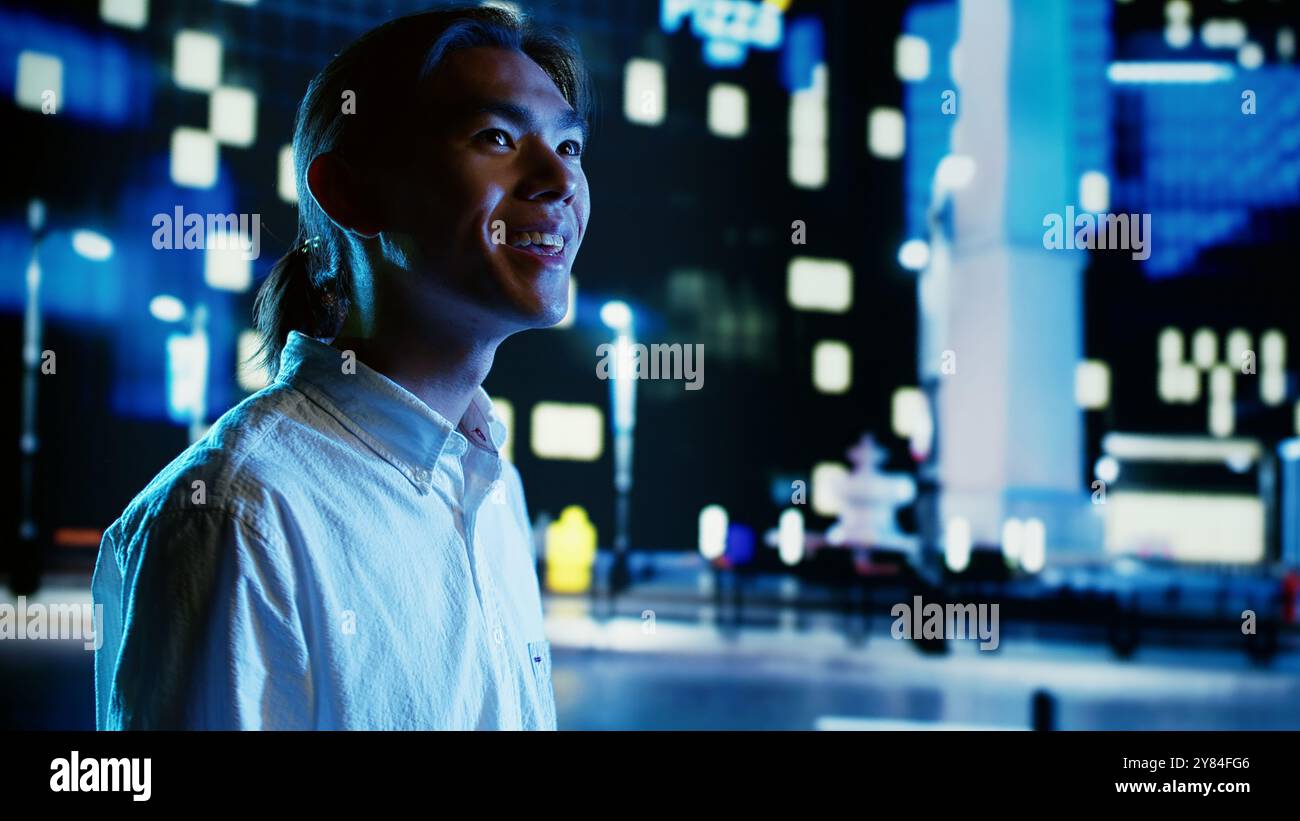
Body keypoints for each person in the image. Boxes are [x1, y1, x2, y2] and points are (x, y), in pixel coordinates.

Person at [92, 6, 591, 729]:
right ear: (352, 193)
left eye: (571, 146)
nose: (558, 179)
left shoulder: (491, 485)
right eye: (497, 137)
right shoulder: (240, 513)